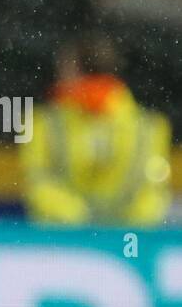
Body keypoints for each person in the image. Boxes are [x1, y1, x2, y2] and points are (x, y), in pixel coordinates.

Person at [23, 34, 171, 226]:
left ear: (71, 70)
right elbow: (152, 195)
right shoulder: (150, 126)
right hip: (129, 244)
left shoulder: (42, 123)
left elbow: (39, 184)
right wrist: (127, 234)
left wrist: (83, 226)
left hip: (62, 243)